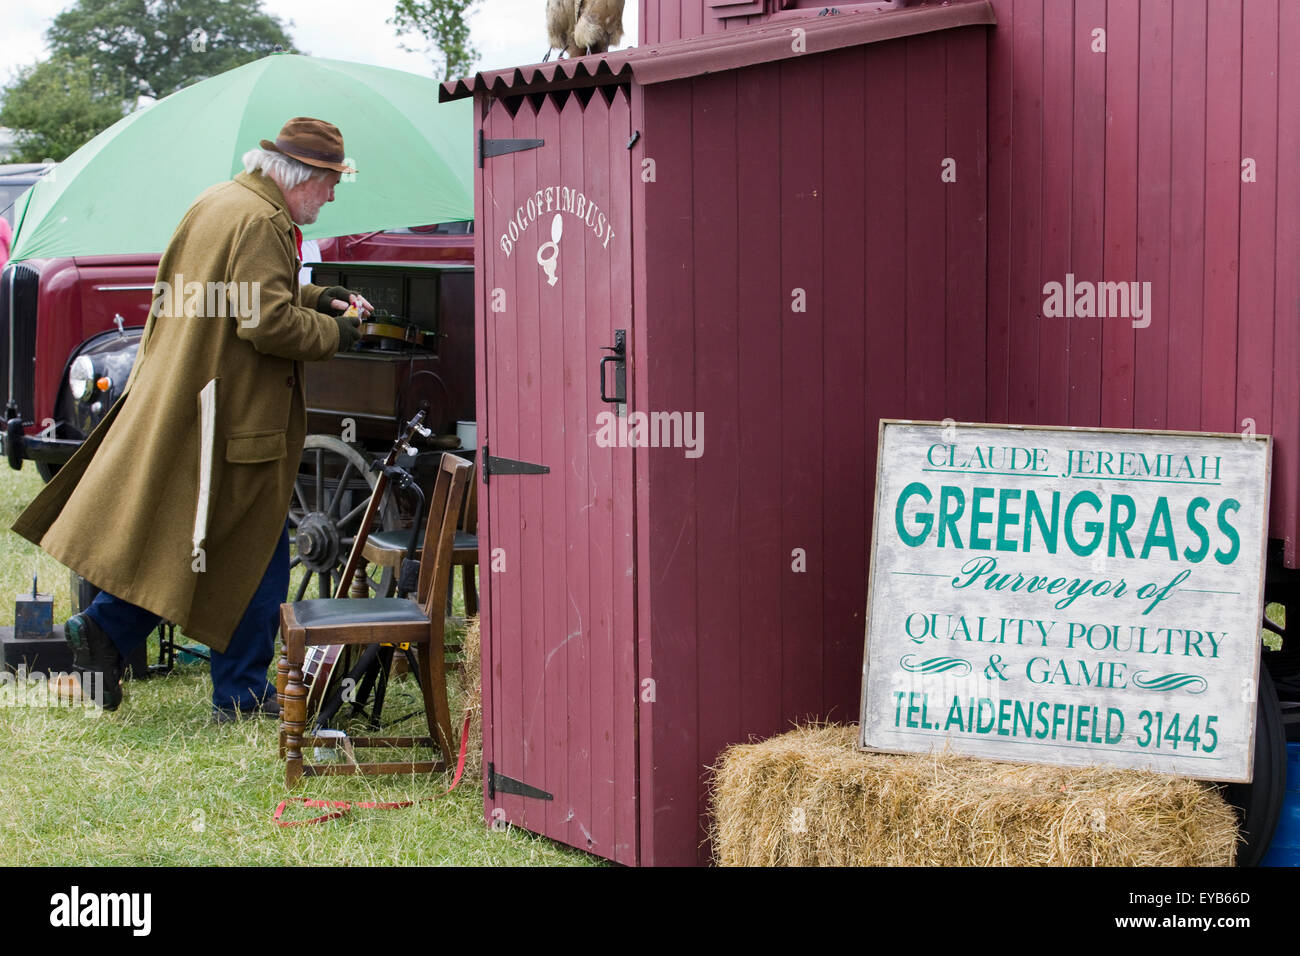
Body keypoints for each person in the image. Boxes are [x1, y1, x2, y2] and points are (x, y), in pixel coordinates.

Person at [12, 117, 373, 721]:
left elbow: (230, 292)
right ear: (301, 177)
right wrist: (339, 331)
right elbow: (265, 323)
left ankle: (108, 633)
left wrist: (317, 297)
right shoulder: (262, 222)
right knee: (254, 557)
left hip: (194, 400)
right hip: (235, 415)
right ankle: (236, 693)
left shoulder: (222, 201)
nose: (333, 195)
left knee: (201, 546)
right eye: (331, 182)